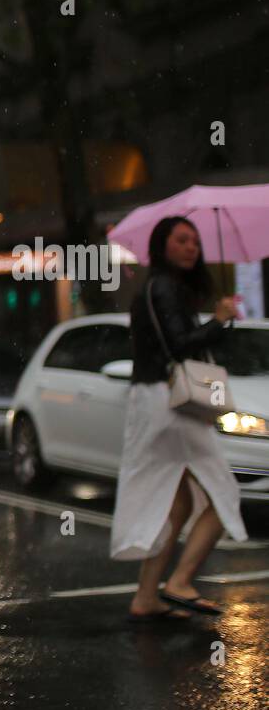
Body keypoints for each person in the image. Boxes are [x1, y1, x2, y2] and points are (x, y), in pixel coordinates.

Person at [111, 215, 246, 622]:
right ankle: (181, 581)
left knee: (178, 504)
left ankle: (147, 595)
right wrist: (218, 321)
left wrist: (217, 322)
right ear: (162, 246)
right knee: (225, 495)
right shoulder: (163, 288)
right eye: (182, 240)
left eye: (195, 241)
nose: (192, 247)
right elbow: (179, 344)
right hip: (169, 405)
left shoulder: (159, 288)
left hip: (153, 402)